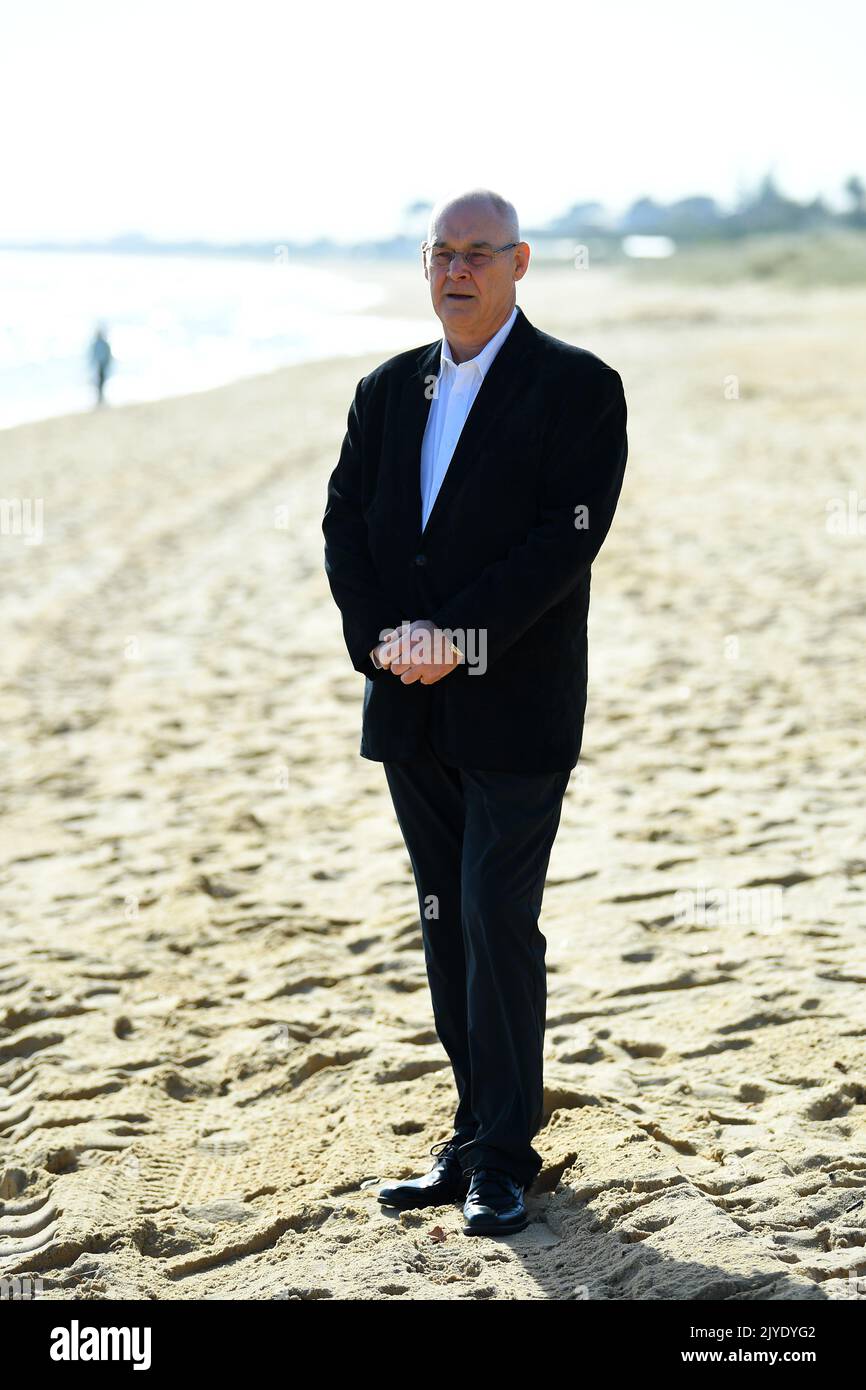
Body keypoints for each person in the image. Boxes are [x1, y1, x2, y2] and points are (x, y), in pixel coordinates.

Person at [322, 188, 628, 1237]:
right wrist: (382, 640)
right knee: (444, 921)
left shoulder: (577, 387)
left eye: (477, 253)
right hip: (409, 704)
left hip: (515, 706)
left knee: (496, 918)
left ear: (519, 263)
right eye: (441, 252)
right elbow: (344, 525)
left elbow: (560, 543)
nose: (455, 269)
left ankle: (506, 1150)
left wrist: (449, 635)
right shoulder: (384, 388)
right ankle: (467, 1135)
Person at [88, 323, 113, 405]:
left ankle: (100, 398)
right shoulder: (98, 343)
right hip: (99, 365)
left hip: (102, 365)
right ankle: (100, 398)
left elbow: (107, 354)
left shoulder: (102, 343)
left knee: (101, 381)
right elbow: (93, 355)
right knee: (99, 382)